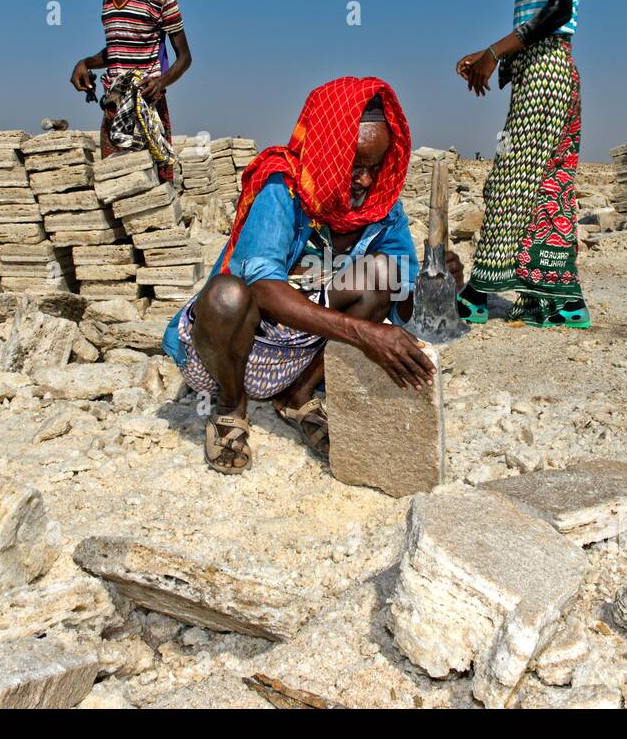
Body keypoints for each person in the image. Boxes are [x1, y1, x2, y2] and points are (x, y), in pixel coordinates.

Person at [161, 77, 464, 474]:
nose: (367, 180)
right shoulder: (282, 188)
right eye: (355, 165)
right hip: (232, 352)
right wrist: (363, 334)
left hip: (300, 354)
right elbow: (263, 288)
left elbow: (404, 304)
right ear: (327, 151)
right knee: (225, 295)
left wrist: (434, 289)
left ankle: (297, 396)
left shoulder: (383, 210)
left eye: (375, 166)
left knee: (382, 273)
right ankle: (231, 409)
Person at [455, 0, 590, 328]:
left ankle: (475, 293)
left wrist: (495, 52)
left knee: (512, 179)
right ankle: (552, 300)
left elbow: (557, 11)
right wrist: (490, 57)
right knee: (545, 184)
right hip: (539, 71)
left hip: (547, 72)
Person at [69, 0, 191, 180]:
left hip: (147, 106)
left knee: (155, 189)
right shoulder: (107, 0)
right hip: (114, 106)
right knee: (115, 187)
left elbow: (185, 57)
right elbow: (115, 51)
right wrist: (85, 63)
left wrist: (161, 82)